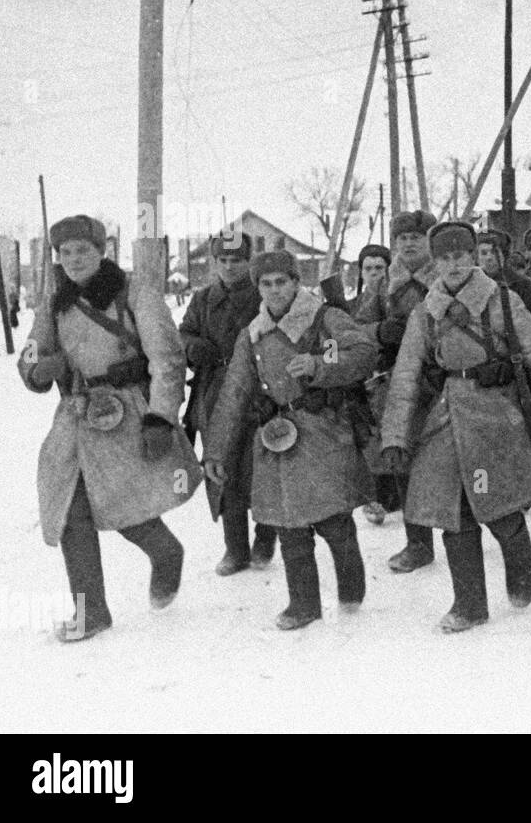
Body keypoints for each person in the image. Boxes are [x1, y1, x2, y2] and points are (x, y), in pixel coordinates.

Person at [380, 221, 531, 633]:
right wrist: (394, 435)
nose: (452, 265)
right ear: (435, 261)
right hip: (447, 421)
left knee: (497, 506)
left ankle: (520, 561)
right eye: (444, 258)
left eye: (460, 256)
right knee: (454, 514)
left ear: (473, 257)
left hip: (494, 419)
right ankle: (469, 605)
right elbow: (406, 373)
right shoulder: (425, 312)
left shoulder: (503, 301)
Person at [19, 214, 199, 642]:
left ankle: (166, 552)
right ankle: (91, 613)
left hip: (128, 410)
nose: (74, 259)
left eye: (83, 250)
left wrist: (161, 416)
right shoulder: (54, 301)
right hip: (77, 414)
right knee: (69, 511)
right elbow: (29, 352)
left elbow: (168, 359)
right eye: (65, 252)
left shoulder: (135, 291)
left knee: (120, 503)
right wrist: (38, 369)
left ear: (103, 251)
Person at [204, 251, 376, 630]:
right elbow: (234, 392)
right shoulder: (252, 335)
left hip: (323, 430)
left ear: (297, 283)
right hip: (277, 437)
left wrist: (320, 365)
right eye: (266, 284)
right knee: (288, 524)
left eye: (282, 281)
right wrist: (216, 450)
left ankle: (351, 592)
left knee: (333, 519)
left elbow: (363, 352)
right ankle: (303, 605)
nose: (274, 290)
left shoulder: (324, 319)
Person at [179, 231, 278, 574]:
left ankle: (266, 538)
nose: (230, 267)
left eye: (237, 260)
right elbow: (185, 332)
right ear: (214, 262)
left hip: (261, 390)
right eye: (223, 260)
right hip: (215, 391)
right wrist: (193, 347)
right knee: (222, 468)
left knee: (264, 464)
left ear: (248, 261)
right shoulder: (203, 299)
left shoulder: (263, 294)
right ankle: (235, 549)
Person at [360, 211, 440, 571]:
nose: (408, 243)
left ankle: (475, 533)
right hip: (398, 383)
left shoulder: (445, 278)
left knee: (457, 457)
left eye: (417, 237)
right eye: (402, 237)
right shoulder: (383, 287)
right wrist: (380, 332)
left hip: (443, 380)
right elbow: (355, 331)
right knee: (402, 459)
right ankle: (418, 543)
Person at [477, 229, 531, 312]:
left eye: (494, 252)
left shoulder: (524, 286)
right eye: (484, 253)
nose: (489, 258)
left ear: (504, 255)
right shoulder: (471, 285)